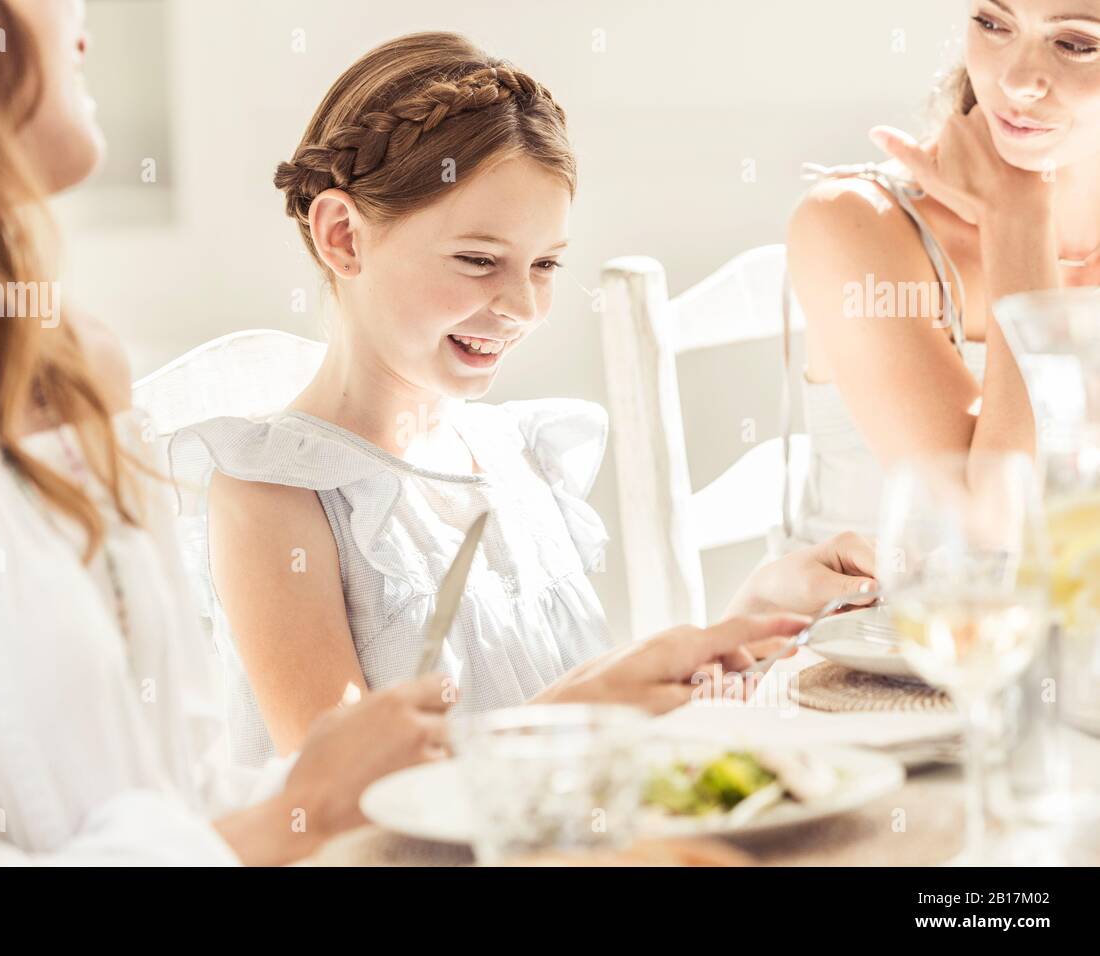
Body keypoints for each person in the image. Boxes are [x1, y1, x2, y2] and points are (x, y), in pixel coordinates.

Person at [0, 0, 456, 866]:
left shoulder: (75, 370)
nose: (87, 13)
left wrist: (361, 781)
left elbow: (174, 799)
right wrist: (295, 808)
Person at [173, 31, 879, 769]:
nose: (521, 305)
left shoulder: (516, 455)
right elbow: (352, 796)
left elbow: (598, 719)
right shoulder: (275, 499)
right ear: (343, 237)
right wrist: (582, 710)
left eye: (544, 264)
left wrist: (756, 615)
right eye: (478, 260)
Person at [783, 0, 1098, 544]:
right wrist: (1016, 219)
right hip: (879, 624)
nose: (1017, 80)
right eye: (993, 23)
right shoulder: (853, 222)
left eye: (1075, 44)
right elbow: (996, 527)